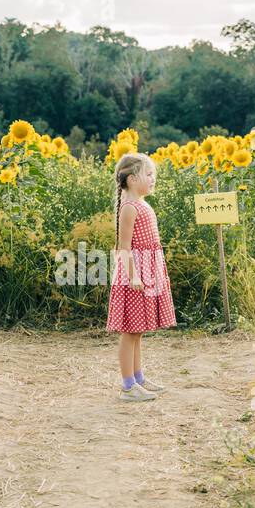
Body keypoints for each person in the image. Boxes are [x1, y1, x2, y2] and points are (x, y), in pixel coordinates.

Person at [107, 153, 175, 401]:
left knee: (138, 331)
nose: (153, 178)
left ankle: (138, 378)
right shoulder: (128, 208)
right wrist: (133, 276)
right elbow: (123, 248)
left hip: (148, 271)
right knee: (130, 331)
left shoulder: (143, 204)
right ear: (133, 179)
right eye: (148, 174)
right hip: (133, 276)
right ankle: (128, 387)